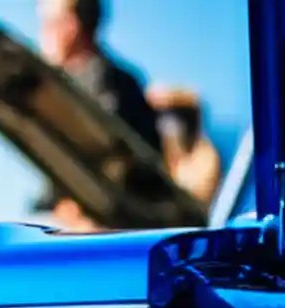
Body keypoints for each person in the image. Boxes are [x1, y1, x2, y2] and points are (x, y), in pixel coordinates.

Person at [35, 0, 162, 229]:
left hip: (105, 229)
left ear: (71, 26)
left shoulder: (107, 84)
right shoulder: (68, 83)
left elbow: (110, 162)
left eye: (48, 24)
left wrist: (73, 205)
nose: (42, 34)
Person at [149, 86, 222, 207]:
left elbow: (196, 198)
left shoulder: (204, 154)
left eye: (176, 115)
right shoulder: (144, 151)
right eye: (159, 115)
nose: (166, 123)